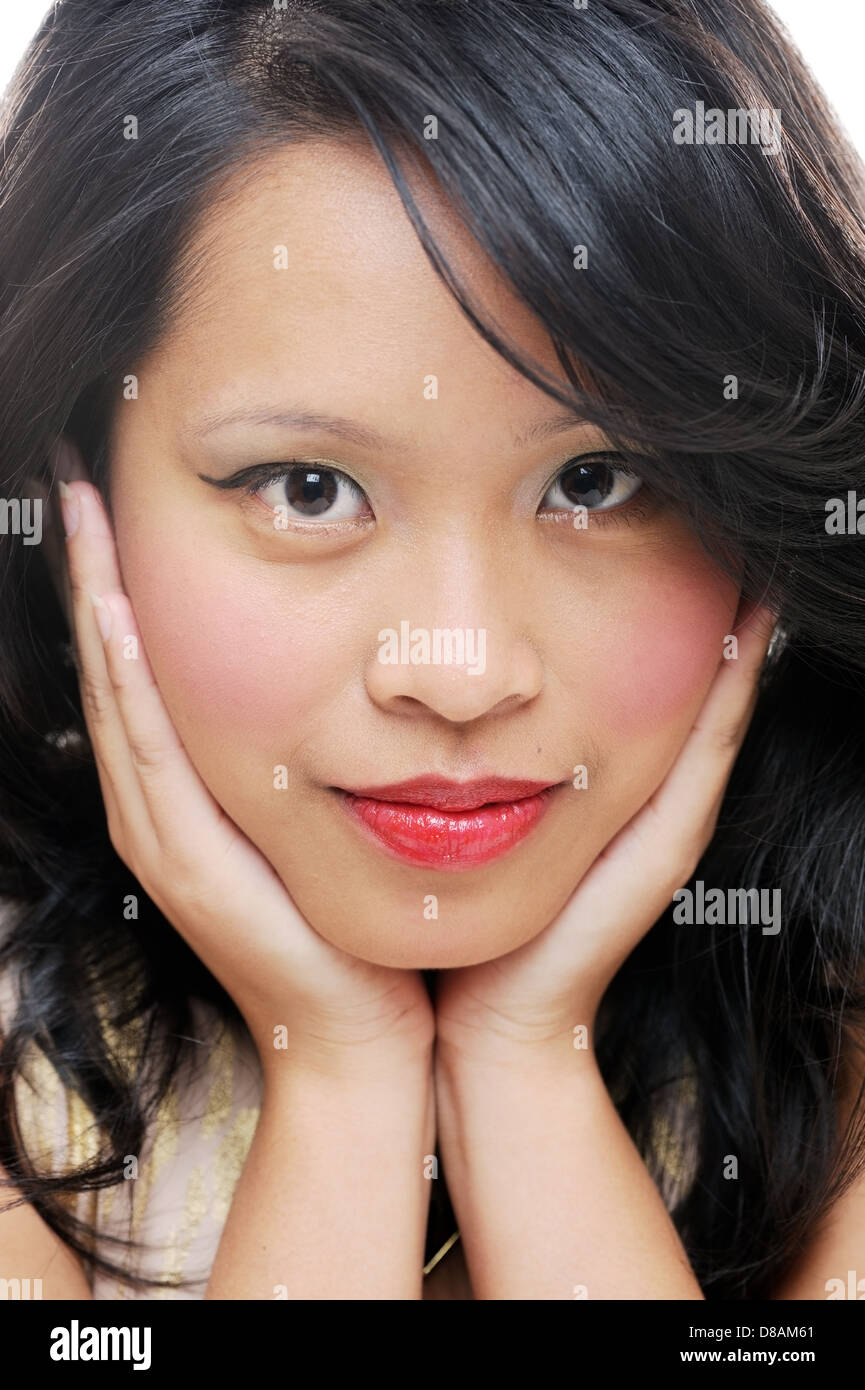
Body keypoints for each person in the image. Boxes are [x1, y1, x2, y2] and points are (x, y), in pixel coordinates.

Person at [1, 0, 864, 1301]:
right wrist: (339, 1072)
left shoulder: (837, 1033)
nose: (457, 669)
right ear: (75, 506)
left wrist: (528, 1066)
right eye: (305, 488)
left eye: (598, 479)